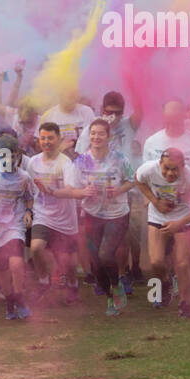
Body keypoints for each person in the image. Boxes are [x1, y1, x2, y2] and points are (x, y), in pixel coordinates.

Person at [75, 118, 136, 315]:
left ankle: (116, 288)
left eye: (101, 133)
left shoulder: (120, 159)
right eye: (93, 133)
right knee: (95, 261)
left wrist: (118, 190)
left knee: (105, 255)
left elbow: (132, 181)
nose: (96, 137)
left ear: (108, 136)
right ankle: (110, 296)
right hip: (92, 215)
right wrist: (85, 191)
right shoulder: (81, 160)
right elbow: (74, 188)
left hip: (117, 214)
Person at [134, 148, 190, 318]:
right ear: (160, 164)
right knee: (156, 262)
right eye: (166, 168)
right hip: (157, 216)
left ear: (183, 166)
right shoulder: (149, 169)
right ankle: (165, 284)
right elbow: (138, 179)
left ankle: (184, 302)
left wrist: (178, 224)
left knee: (182, 264)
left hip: (183, 218)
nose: (170, 173)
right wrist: (154, 201)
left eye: (175, 169)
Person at [23, 122, 88, 302]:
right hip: (42, 215)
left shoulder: (65, 163)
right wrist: (27, 210)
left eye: (50, 138)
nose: (46, 142)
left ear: (58, 139)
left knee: (68, 262)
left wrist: (50, 191)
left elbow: (69, 190)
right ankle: (44, 281)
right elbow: (28, 188)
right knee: (36, 248)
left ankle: (73, 286)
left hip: (65, 220)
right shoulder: (33, 162)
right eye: (43, 138)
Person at [0, 133, 35, 320]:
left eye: (11, 155)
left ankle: (20, 296)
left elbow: (29, 197)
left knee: (16, 262)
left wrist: (28, 212)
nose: (7, 160)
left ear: (17, 154)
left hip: (14, 226)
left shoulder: (24, 177)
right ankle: (10, 300)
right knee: (1, 270)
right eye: (3, 156)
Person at [99, 89, 144, 293]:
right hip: (101, 190)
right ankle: (103, 276)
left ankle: (124, 273)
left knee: (126, 234)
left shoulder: (129, 124)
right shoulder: (95, 128)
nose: (114, 117)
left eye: (118, 112)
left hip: (126, 187)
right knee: (100, 237)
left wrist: (136, 79)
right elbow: (83, 154)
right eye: (110, 112)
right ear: (102, 109)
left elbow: (141, 109)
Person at [142, 100, 190, 171]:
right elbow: (146, 174)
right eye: (168, 123)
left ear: (183, 118)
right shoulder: (151, 142)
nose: (171, 128)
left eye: (176, 123)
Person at [40, 88, 96, 158]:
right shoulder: (48, 116)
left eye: (74, 97)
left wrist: (74, 143)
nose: (72, 101)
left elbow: (95, 140)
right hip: (58, 163)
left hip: (84, 162)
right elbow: (39, 146)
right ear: (60, 96)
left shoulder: (86, 112)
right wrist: (57, 148)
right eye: (69, 97)